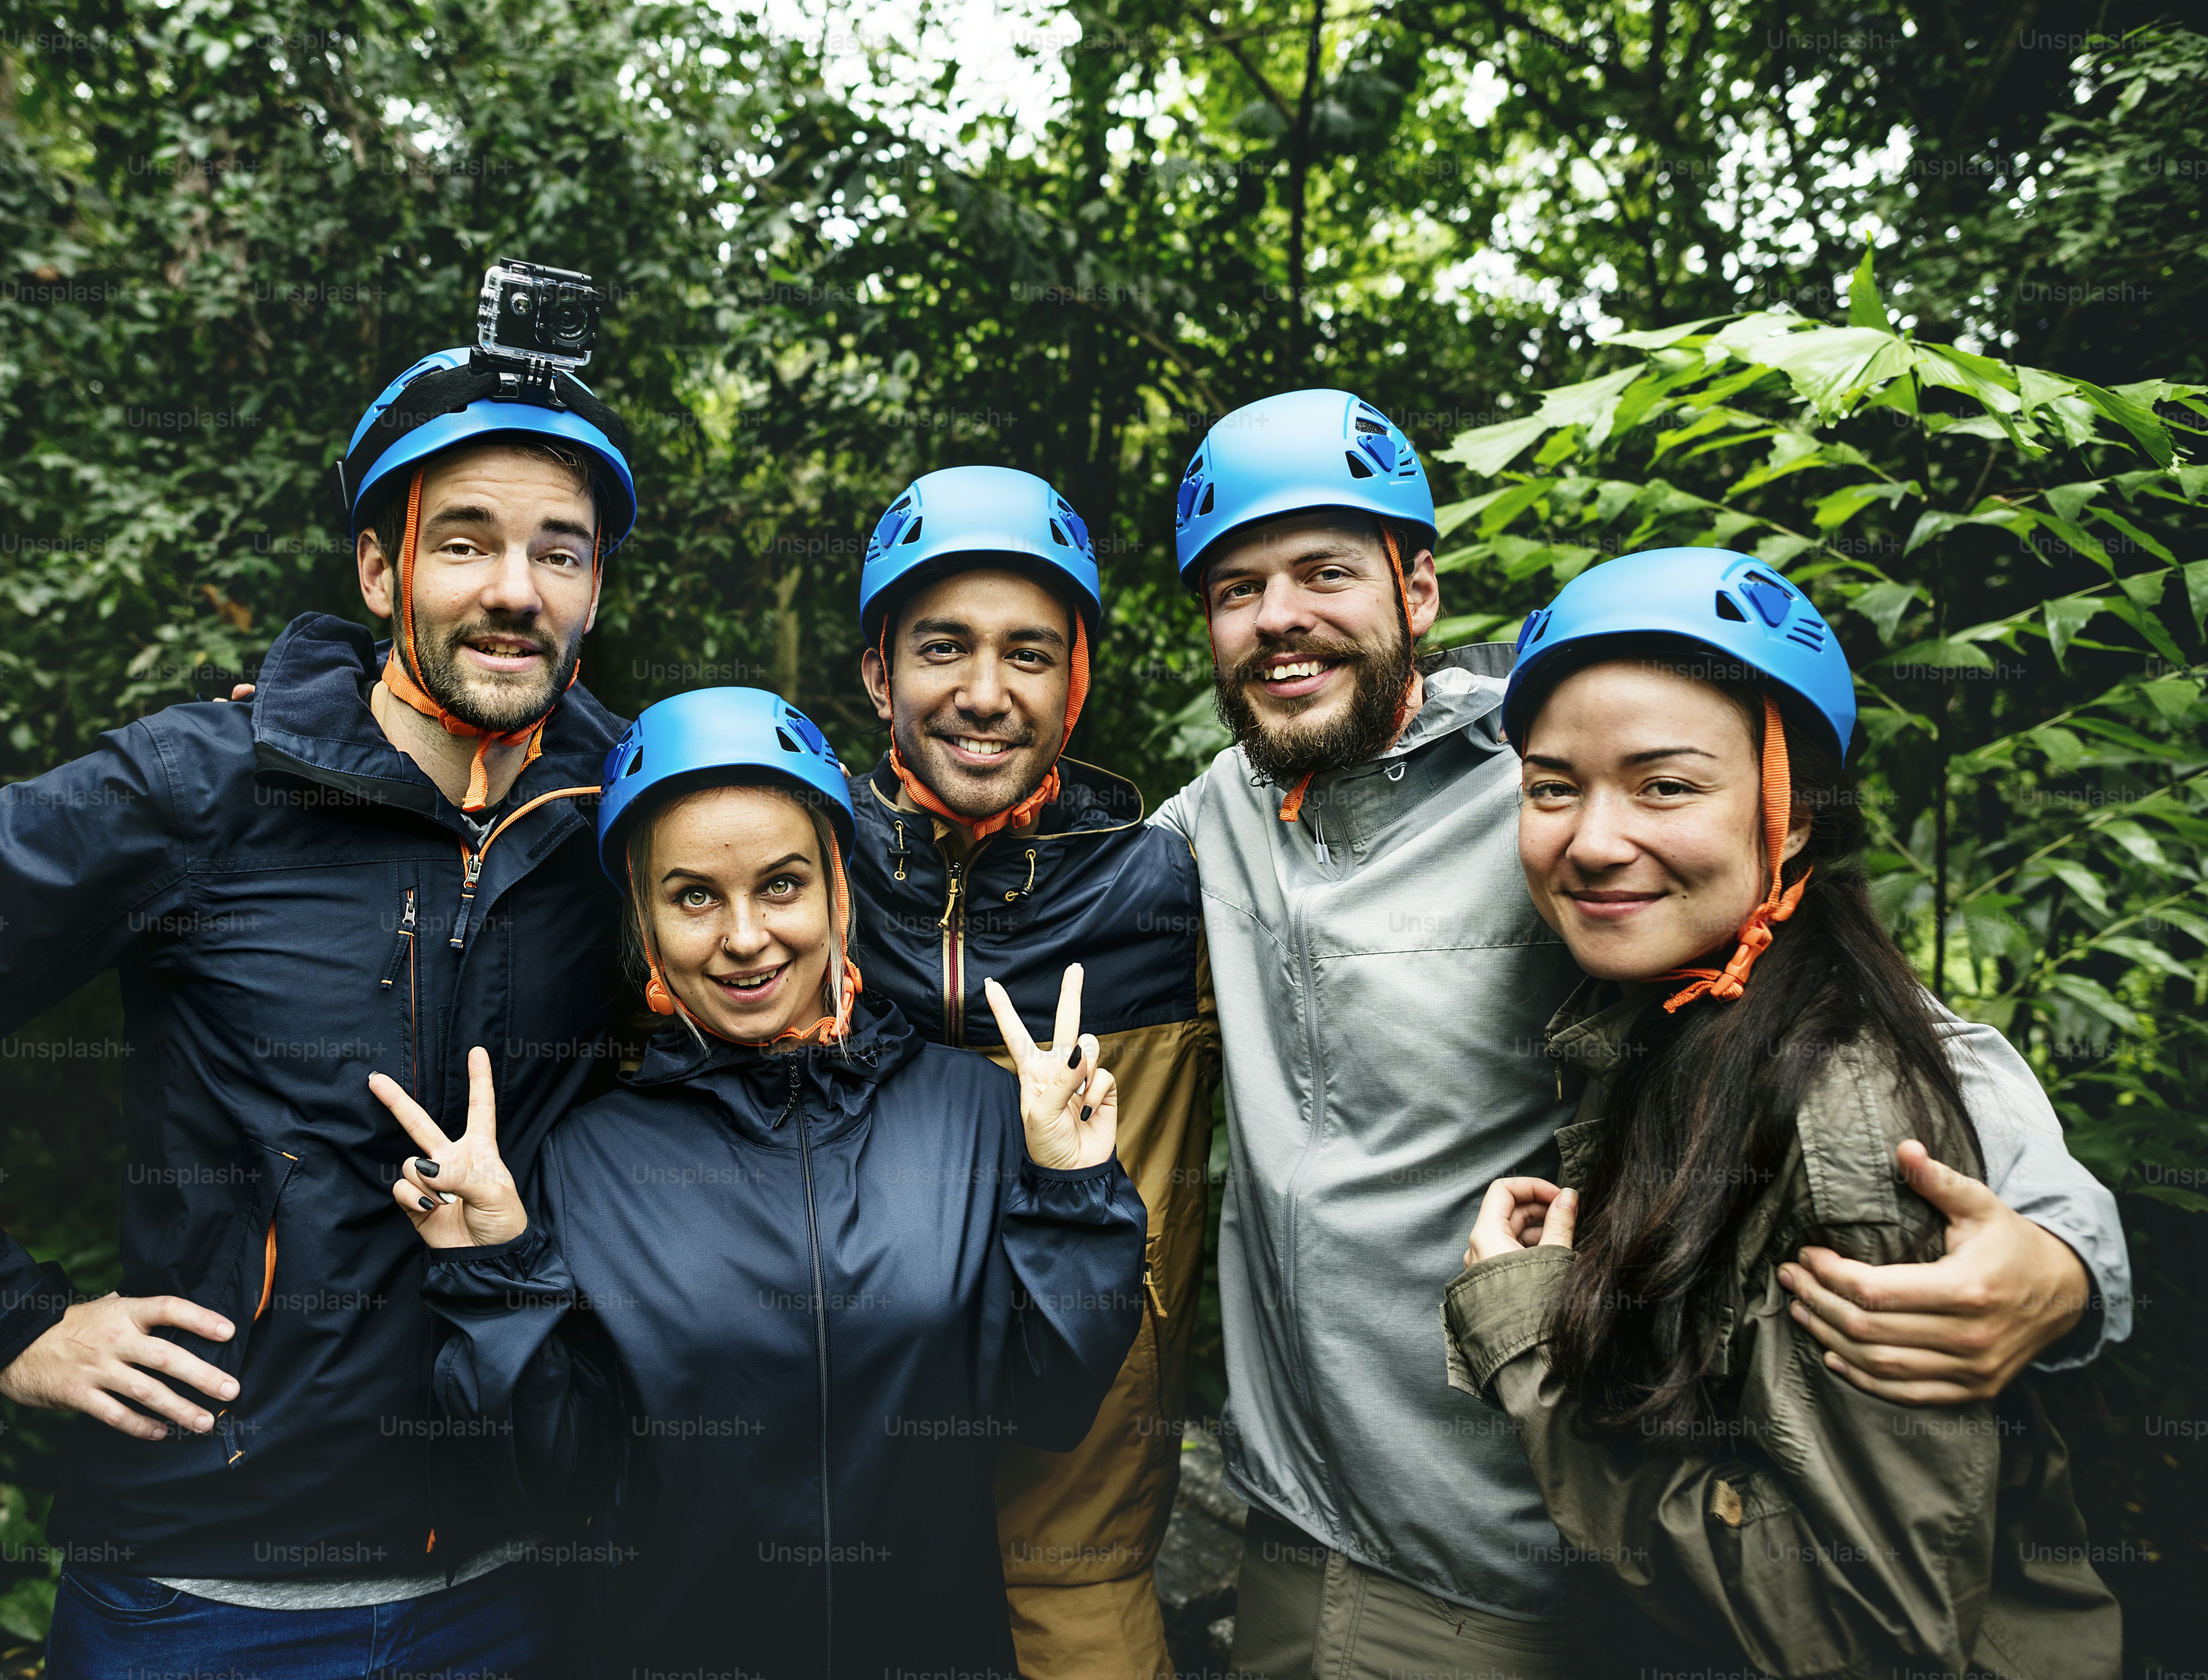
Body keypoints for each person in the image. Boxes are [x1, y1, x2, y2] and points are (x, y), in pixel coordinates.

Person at [1151, 389, 2132, 1677]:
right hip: (1297, 1509)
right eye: (1237, 587)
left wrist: (2066, 1249)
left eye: (1327, 570)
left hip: (1533, 1537)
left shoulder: (1551, 786)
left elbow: (1882, 1023)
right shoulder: (1213, 815)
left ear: (1419, 588)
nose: (1281, 614)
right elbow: (1032, 891)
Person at [0, 335, 648, 1675]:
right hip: (210, 1596)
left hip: (517, 1587)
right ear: (383, 568)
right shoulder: (200, 788)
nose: (515, 589)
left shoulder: (623, 817)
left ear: (595, 584)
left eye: (560, 550)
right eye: (464, 542)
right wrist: (4, 1319)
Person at [374, 685, 1148, 1676]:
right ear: (645, 928)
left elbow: (1049, 1402)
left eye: (782, 885)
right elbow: (550, 1479)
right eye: (694, 895)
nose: (745, 938)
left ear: (838, 890)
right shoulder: (583, 1159)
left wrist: (1074, 1191)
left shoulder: (977, 1114)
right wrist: (492, 1276)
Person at [1445, 546, 2120, 1674]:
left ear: (1791, 813)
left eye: (1665, 785)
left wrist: (1529, 1345)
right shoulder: (1677, 1026)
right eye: (1552, 787)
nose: (1593, 839)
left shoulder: (1843, 1116)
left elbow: (1866, 1625)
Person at [849, 465, 1217, 1677]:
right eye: (943, 647)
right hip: (833, 1533)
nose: (984, 694)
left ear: (1077, 683)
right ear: (876, 672)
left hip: (1079, 1558)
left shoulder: (1171, 889)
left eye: (1029, 654)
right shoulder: (799, 877)